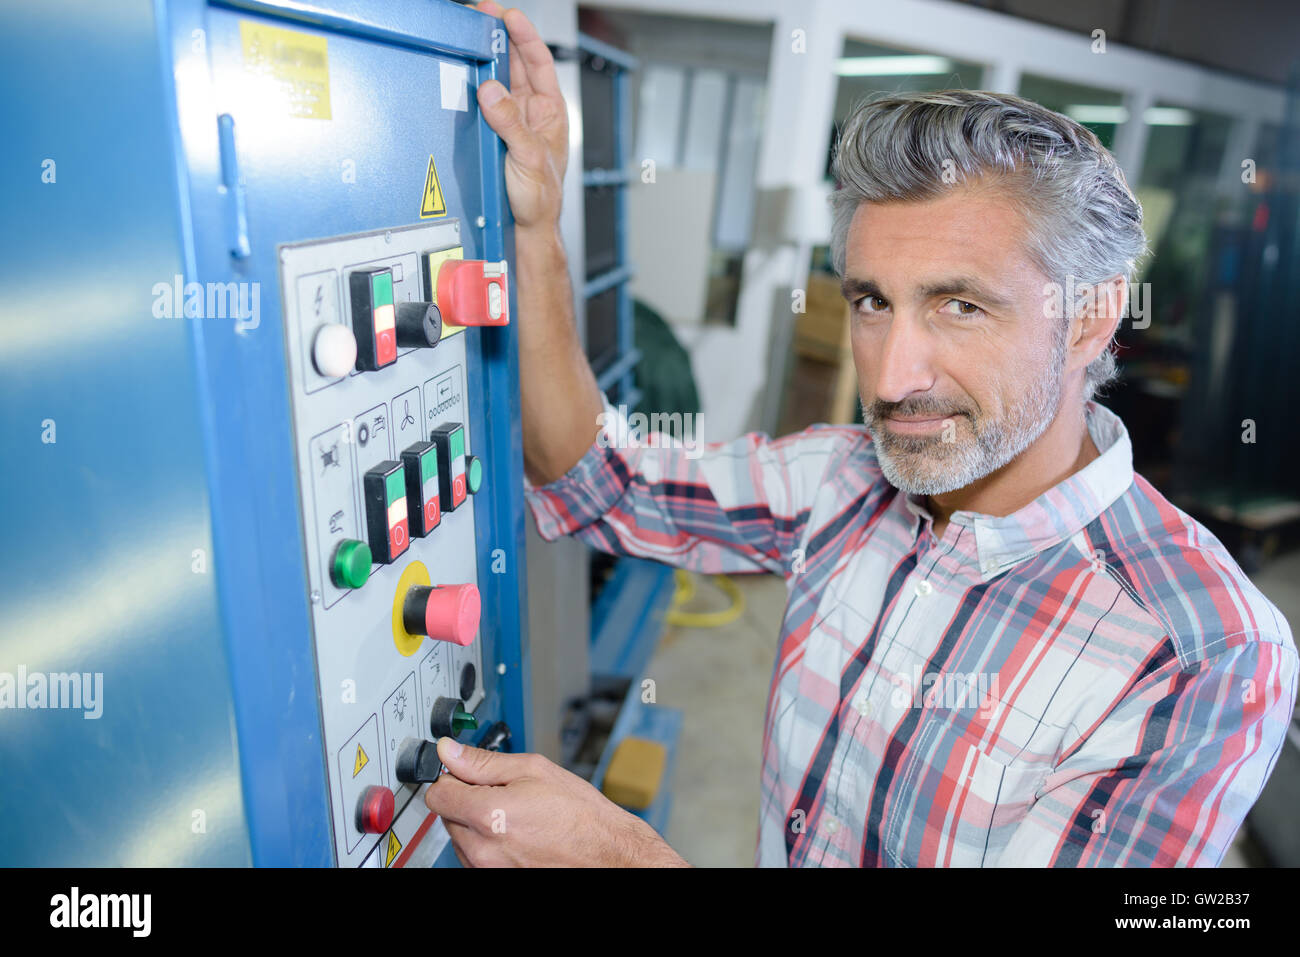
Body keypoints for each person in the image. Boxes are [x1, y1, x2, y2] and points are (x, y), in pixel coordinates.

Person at [424, 2, 1297, 867]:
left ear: (1087, 320)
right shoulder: (845, 480)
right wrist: (535, 230)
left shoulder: (1201, 656)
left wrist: (622, 857)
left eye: (959, 305)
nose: (889, 380)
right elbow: (596, 478)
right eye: (873, 301)